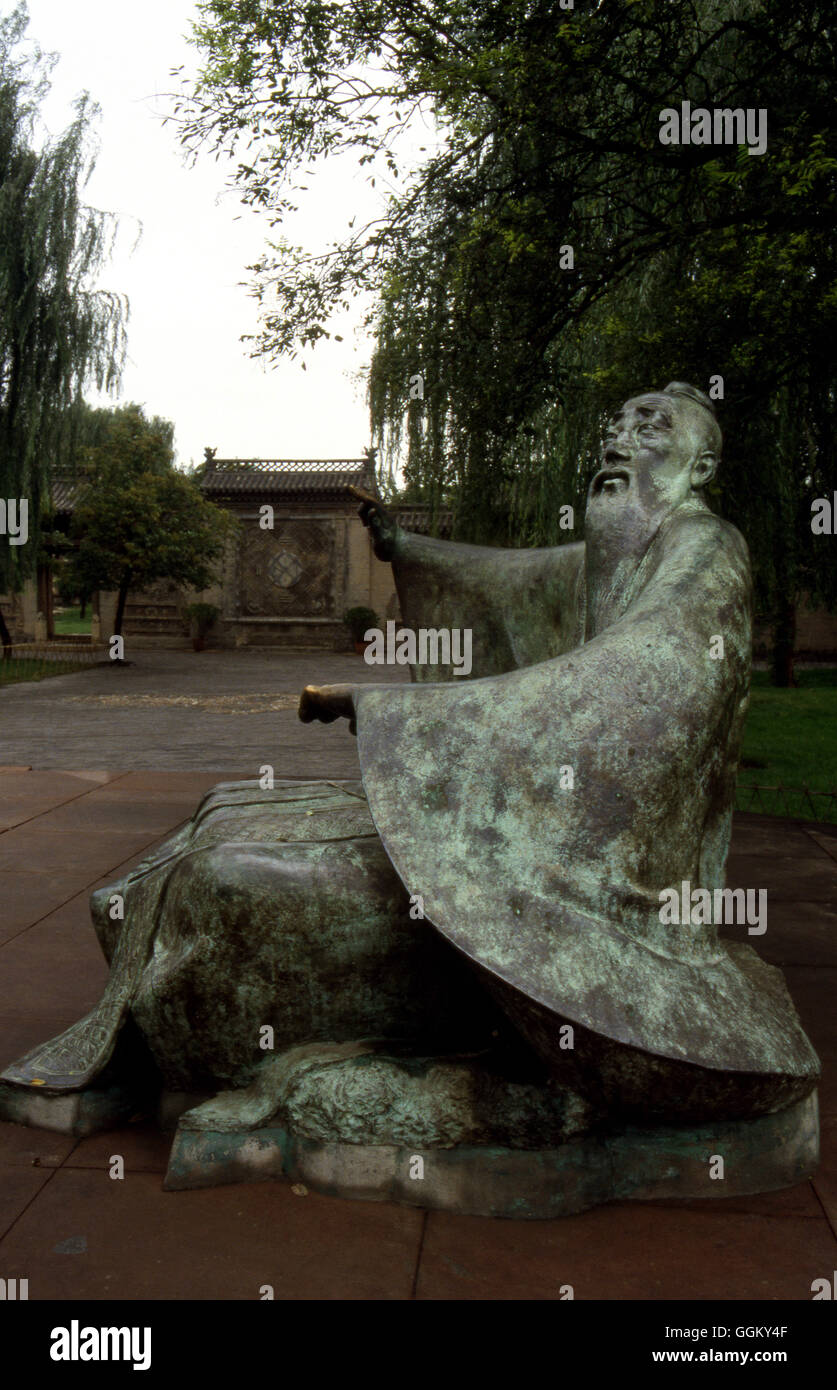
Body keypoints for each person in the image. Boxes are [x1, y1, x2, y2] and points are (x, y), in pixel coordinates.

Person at [0, 384, 818, 1128]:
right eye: (620, 420)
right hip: (541, 794)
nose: (621, 434)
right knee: (228, 807)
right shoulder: (620, 547)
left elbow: (632, 685)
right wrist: (408, 547)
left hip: (600, 848)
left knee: (229, 872)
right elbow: (517, 580)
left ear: (700, 462)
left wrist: (390, 705)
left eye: (651, 425)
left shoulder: (705, 551)